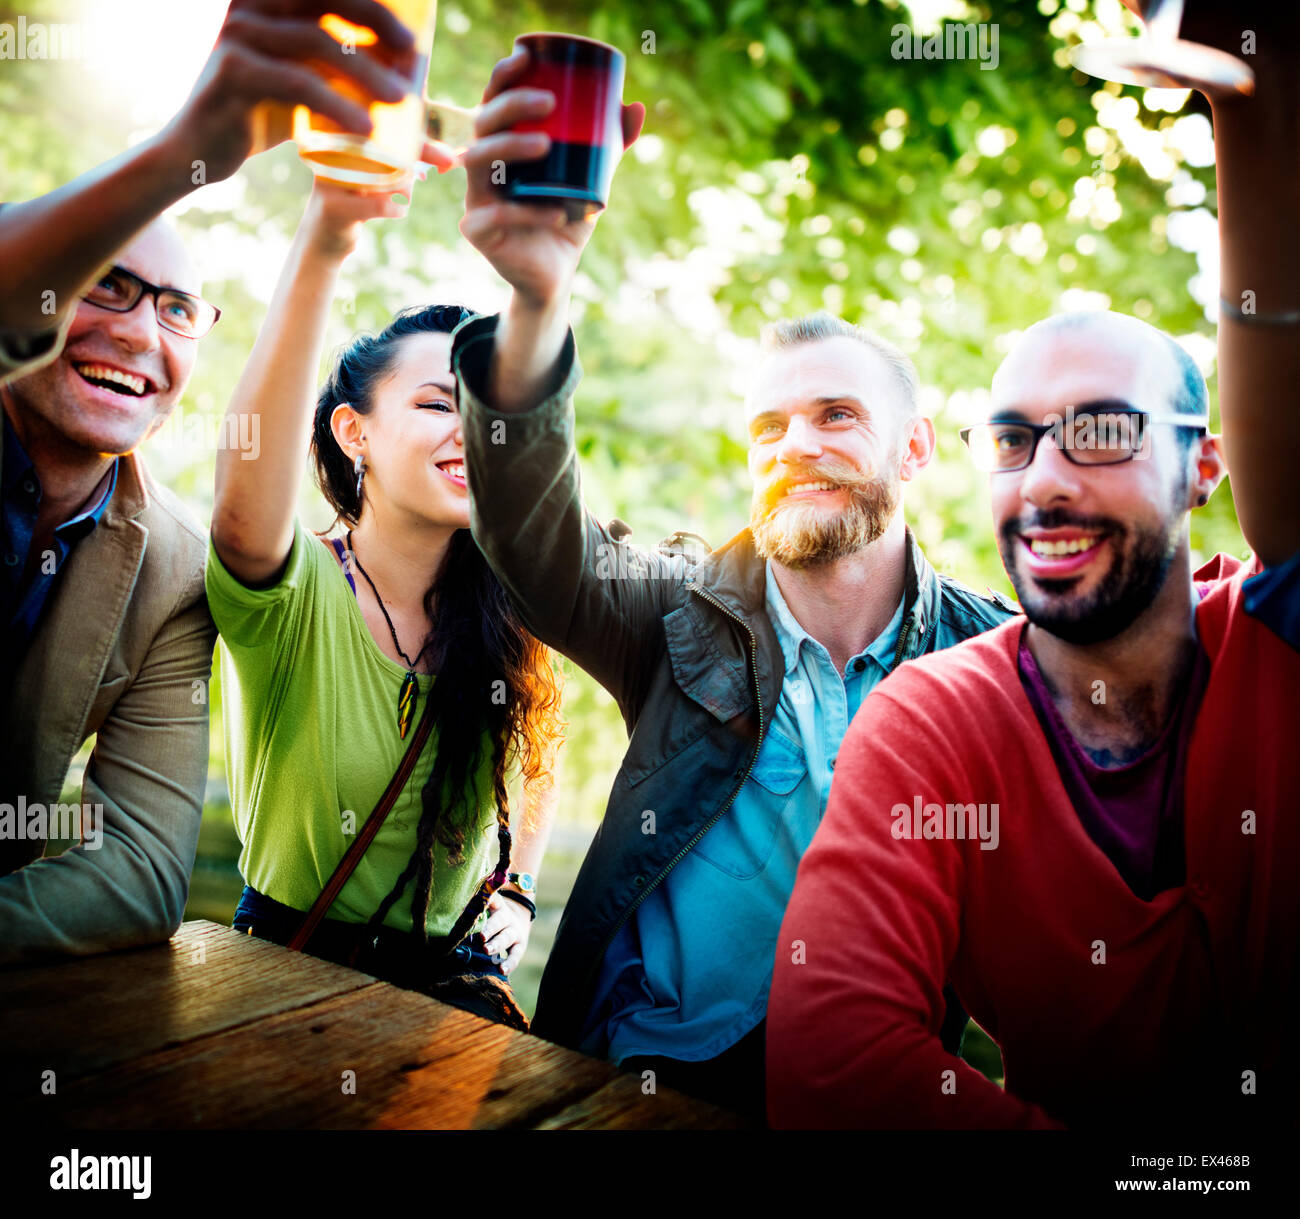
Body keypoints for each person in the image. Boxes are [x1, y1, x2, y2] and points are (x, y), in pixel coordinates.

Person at [446, 48, 1015, 1117]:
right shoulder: (671, 609)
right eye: (768, 427)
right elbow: (530, 534)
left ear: (916, 448)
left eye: (835, 415)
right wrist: (535, 294)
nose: (794, 446)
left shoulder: (992, 661)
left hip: (870, 1093)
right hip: (649, 1075)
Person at [766, 7, 1300, 1129]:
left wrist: (1251, 112)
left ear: (1204, 466)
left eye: (1101, 431)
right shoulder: (933, 722)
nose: (1045, 479)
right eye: (1012, 439)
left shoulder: (1276, 641)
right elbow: (834, 1063)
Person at [0, 0, 420, 961]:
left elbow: (139, 872)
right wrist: (189, 143)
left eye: (181, 310)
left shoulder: (176, 573)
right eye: (105, 282)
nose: (142, 334)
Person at [208, 164, 564, 1028]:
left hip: (456, 994)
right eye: (439, 401)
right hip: (289, 979)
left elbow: (539, 756)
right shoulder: (293, 593)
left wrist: (514, 887)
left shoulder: (514, 608)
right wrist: (326, 239)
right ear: (353, 430)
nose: (468, 431)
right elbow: (243, 493)